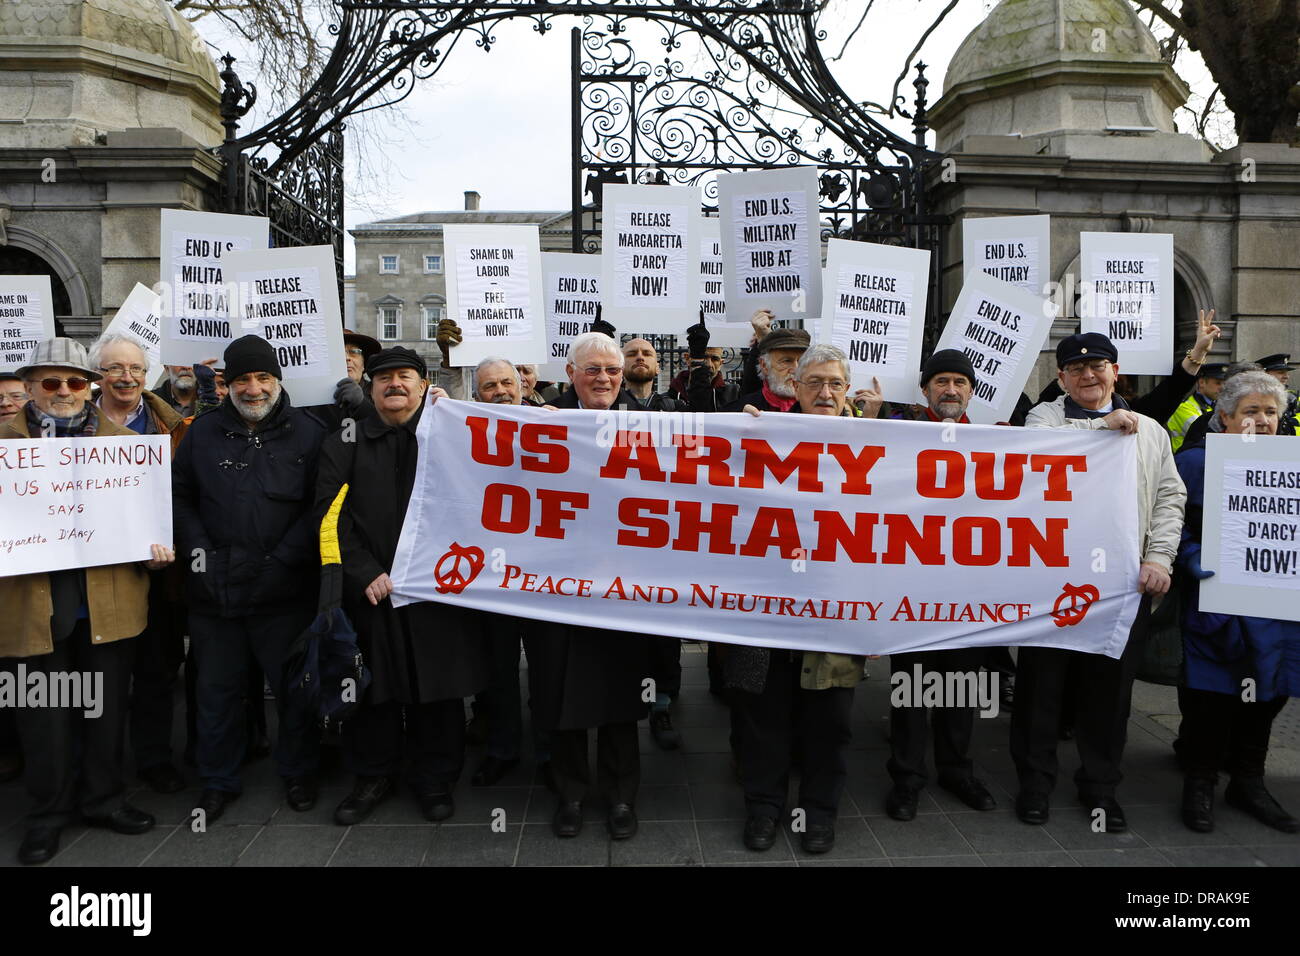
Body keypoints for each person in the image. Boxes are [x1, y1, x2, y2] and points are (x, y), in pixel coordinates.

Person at [0, 338, 174, 864]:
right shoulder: (3, 446)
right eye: (51, 383)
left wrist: (156, 551)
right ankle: (47, 814)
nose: (64, 392)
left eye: (75, 382)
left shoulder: (126, 445)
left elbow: (147, 523)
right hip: (32, 608)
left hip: (108, 604)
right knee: (43, 716)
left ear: (88, 387)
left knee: (106, 712)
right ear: (29, 388)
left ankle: (104, 800)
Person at [1012, 332, 1186, 831]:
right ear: (1062, 378)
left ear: (1115, 371)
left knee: (1109, 695)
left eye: (1099, 365)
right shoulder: (1046, 418)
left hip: (1122, 586)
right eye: (1077, 368)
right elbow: (1037, 457)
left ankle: (1101, 788)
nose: (1089, 375)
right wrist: (1099, 432)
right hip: (1052, 581)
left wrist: (1159, 558)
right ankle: (1035, 784)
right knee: (1042, 688)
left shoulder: (1151, 430)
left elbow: (1170, 498)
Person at [315, 347, 492, 823]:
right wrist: (363, 571)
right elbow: (330, 513)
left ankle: (435, 780)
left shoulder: (452, 434)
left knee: (438, 691)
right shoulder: (345, 441)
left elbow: (485, 497)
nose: (395, 384)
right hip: (374, 591)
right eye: (384, 378)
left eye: (405, 376)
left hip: (440, 590)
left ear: (422, 383)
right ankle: (373, 776)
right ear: (370, 387)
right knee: (373, 692)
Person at [172, 335, 328, 822]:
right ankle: (218, 779)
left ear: (278, 381)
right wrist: (201, 554)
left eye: (263, 378)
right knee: (216, 693)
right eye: (242, 379)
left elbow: (320, 506)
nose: (254, 388)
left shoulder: (310, 432)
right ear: (228, 384)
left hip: (284, 592)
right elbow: (179, 498)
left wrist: (284, 560)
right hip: (214, 595)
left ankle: (299, 772)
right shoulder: (201, 433)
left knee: (293, 691)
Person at [729, 344, 868, 854]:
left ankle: (819, 812)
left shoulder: (876, 443)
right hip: (765, 608)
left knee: (828, 723)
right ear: (798, 389)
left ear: (846, 390)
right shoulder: (763, 433)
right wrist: (739, 432)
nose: (825, 392)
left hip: (836, 612)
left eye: (834, 383)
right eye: (814, 383)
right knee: (761, 721)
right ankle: (763, 809)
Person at [535, 331, 650, 839]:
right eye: (592, 369)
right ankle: (571, 793)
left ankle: (621, 796)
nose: (604, 378)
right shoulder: (539, 421)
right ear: (570, 374)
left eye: (612, 370)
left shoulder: (652, 423)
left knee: (620, 692)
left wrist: (754, 426)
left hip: (622, 584)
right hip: (556, 583)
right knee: (561, 691)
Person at [1174, 370, 1298, 834]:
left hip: (1277, 605)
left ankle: (1248, 780)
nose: (1262, 421)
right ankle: (1200, 781)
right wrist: (1190, 555)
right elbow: (1167, 520)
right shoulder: (1195, 463)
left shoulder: (1293, 466)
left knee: (1269, 690)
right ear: (1225, 416)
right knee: (1212, 694)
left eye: (1271, 412)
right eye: (1251, 411)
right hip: (1219, 602)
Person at [884, 350, 998, 821]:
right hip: (911, 586)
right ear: (924, 390)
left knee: (962, 685)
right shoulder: (899, 436)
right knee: (911, 686)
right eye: (941, 382)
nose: (950, 389)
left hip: (968, 589)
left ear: (972, 390)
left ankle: (956, 769)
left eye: (959, 382)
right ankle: (907, 778)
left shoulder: (999, 442)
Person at [89, 333, 191, 794]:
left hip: (158, 573)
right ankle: (92, 770)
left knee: (157, 668)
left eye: (135, 369)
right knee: (99, 679)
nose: (126, 378)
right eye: (114, 369)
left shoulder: (173, 426)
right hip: (94, 573)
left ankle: (153, 759)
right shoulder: (71, 424)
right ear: (98, 376)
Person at [463, 356, 553, 787]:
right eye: (488, 387)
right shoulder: (462, 431)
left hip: (543, 574)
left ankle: (550, 752)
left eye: (506, 382)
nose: (500, 391)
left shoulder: (554, 422)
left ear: (521, 384)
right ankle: (502, 749)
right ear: (476, 393)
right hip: (492, 575)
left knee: (546, 670)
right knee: (497, 671)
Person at [1166, 363, 1226, 453]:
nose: (1223, 387)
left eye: (1225, 383)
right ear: (1201, 382)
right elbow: (1204, 432)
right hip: (1186, 460)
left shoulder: (1216, 406)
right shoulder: (1184, 408)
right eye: (1218, 383)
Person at [1255, 353, 1298, 435]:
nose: (1286, 376)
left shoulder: (1292, 399)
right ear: (1265, 374)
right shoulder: (1250, 397)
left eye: (1286, 373)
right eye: (1280, 372)